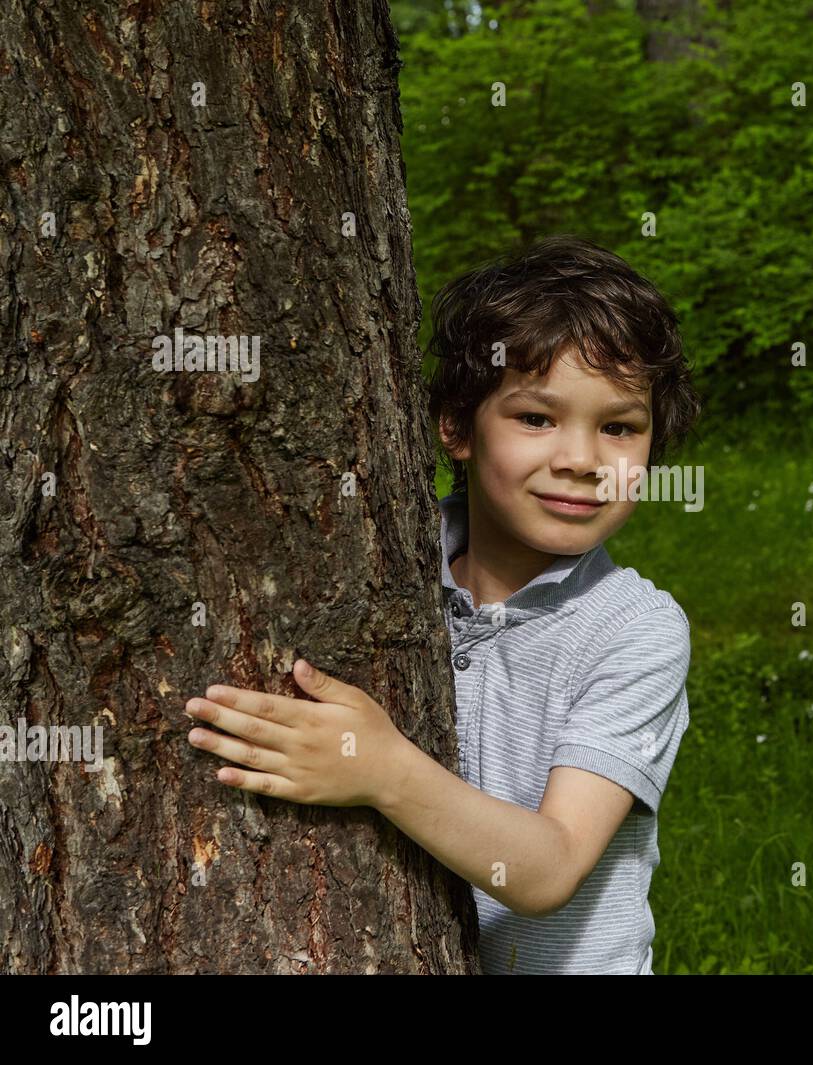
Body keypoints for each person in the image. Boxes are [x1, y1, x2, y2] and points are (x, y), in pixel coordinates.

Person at [183, 234, 703, 974]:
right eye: (536, 418)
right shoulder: (385, 562)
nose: (583, 460)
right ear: (456, 426)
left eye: (619, 427)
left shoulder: (636, 630)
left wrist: (383, 769)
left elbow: (548, 868)